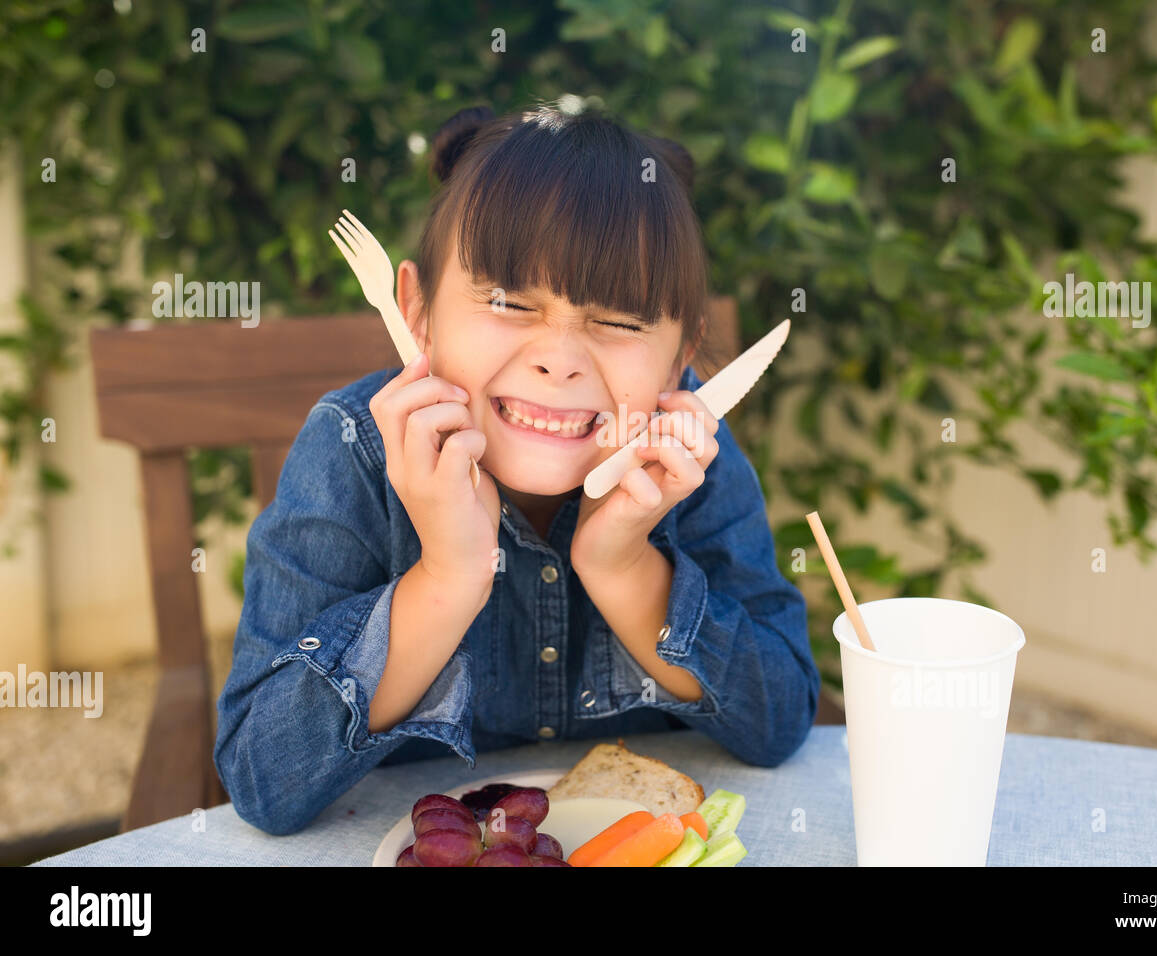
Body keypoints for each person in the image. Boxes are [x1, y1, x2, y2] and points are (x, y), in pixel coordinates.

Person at [215, 102, 819, 836]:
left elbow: (780, 719)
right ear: (417, 311)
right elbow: (260, 774)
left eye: (622, 321)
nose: (558, 359)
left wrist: (625, 568)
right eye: (507, 301)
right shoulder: (353, 450)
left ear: (683, 352)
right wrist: (446, 578)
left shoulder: (686, 461)